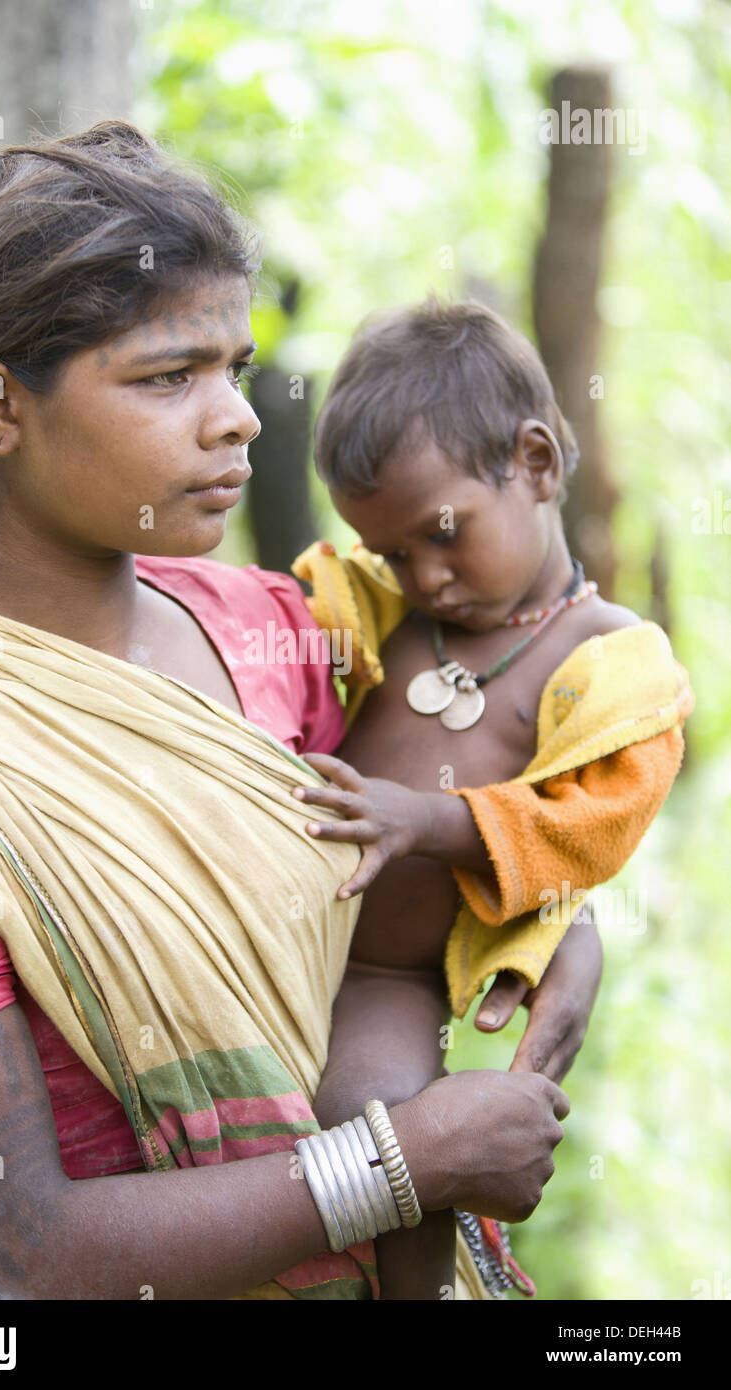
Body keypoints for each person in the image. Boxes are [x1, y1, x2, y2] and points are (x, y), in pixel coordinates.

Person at [0, 120, 570, 1302]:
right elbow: (7, 1260)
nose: (235, 417)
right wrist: (405, 1162)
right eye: (165, 377)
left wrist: (561, 949)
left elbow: (497, 812)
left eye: (233, 370)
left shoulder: (281, 632)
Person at [283, 296, 693, 1290]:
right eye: (390, 552)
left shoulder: (601, 659)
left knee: (379, 1116)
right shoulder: (372, 612)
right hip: (276, 936)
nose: (424, 575)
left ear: (537, 464)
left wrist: (420, 818)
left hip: (387, 971)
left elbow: (585, 827)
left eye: (442, 533)